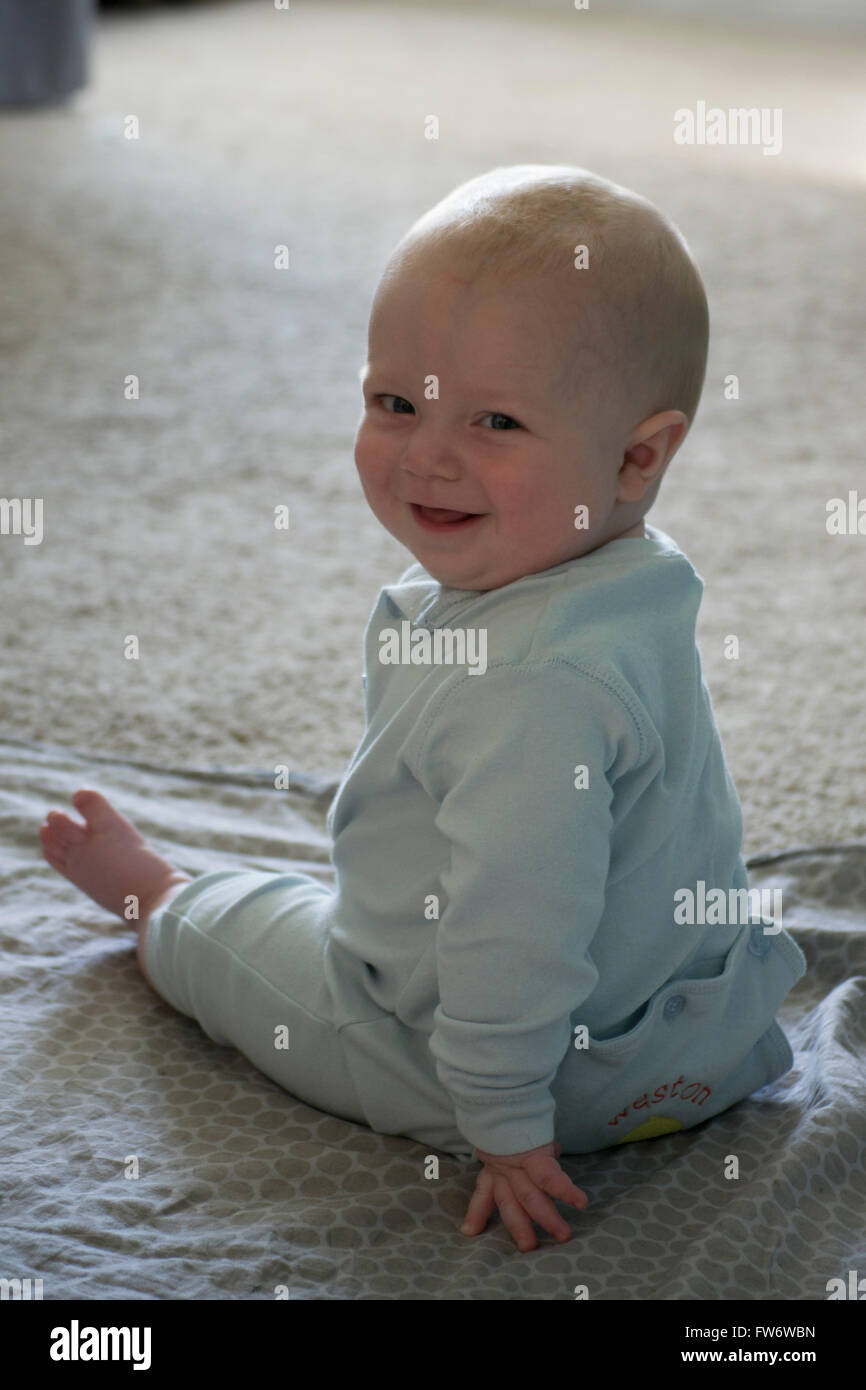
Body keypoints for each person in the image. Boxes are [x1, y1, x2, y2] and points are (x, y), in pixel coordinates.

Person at [40, 164, 805, 1255]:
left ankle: (159, 902)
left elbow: (514, 927)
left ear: (637, 455)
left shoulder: (523, 688)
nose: (428, 455)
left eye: (495, 420)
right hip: (704, 1030)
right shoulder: (634, 579)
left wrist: (502, 1126)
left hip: (539, 1080)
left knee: (257, 937)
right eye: (394, 402)